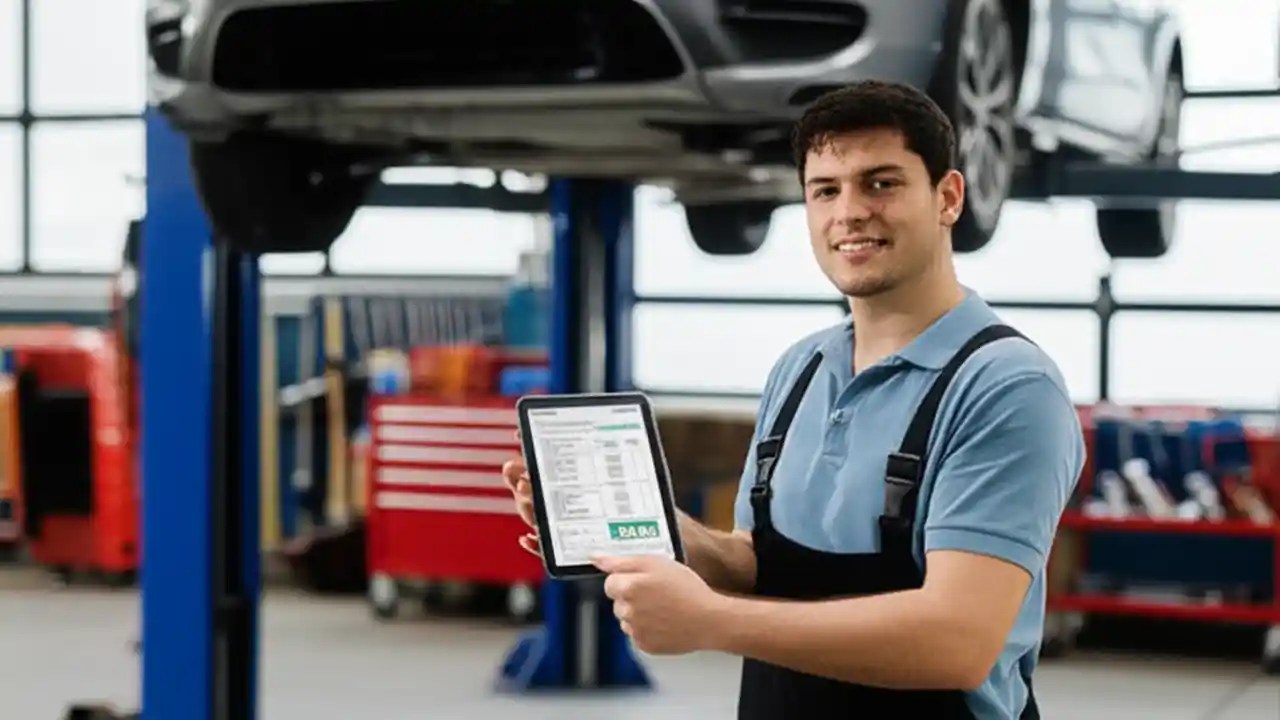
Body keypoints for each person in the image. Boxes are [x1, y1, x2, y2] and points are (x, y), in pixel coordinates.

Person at [502, 80, 1085, 720]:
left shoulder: (1006, 387)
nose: (850, 212)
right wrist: (647, 527)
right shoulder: (801, 369)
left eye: (881, 183)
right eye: (825, 190)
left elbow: (957, 641)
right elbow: (755, 562)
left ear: (947, 197)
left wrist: (712, 622)